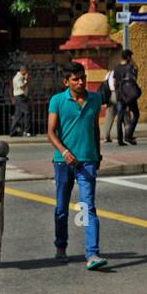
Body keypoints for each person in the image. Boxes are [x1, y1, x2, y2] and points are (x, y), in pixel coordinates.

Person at [47, 63, 107, 270]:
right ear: (66, 82)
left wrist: (97, 153)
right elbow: (51, 132)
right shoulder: (57, 101)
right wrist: (64, 152)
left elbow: (94, 129)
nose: (81, 82)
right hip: (63, 162)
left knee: (87, 206)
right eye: (75, 79)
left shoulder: (95, 99)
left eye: (83, 78)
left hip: (87, 161)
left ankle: (92, 254)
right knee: (62, 208)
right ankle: (61, 246)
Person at [112, 50, 140, 146]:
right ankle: (128, 135)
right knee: (136, 114)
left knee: (120, 117)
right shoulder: (131, 67)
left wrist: (118, 92)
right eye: (131, 57)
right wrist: (134, 65)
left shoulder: (117, 68)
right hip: (130, 94)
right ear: (128, 57)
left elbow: (115, 81)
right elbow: (134, 79)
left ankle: (120, 140)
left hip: (120, 94)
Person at [8, 64, 31, 137]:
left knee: (17, 115)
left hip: (21, 97)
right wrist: (26, 81)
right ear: (23, 70)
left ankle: (12, 131)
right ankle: (26, 131)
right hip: (19, 97)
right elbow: (22, 87)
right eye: (26, 71)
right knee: (27, 112)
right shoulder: (17, 78)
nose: (27, 72)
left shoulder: (21, 77)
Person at [101, 69, 118, 144]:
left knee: (109, 116)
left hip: (110, 95)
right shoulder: (118, 72)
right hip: (117, 93)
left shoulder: (108, 74)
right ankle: (128, 133)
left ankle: (106, 136)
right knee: (125, 114)